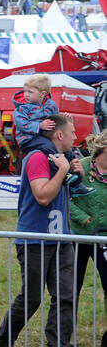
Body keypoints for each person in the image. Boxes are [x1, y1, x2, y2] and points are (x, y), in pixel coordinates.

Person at [0, 114, 91, 347]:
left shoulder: (64, 160)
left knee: (66, 296)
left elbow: (63, 193)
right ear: (59, 135)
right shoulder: (37, 157)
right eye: (71, 133)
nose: (74, 137)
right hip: (35, 238)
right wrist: (62, 171)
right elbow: (43, 196)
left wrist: (75, 177)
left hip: (61, 238)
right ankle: (3, 342)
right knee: (32, 297)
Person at [69, 132, 107, 315]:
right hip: (79, 236)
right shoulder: (81, 166)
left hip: (105, 239)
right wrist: (81, 216)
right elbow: (65, 198)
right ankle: (67, 335)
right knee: (72, 286)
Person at [12, 74, 58, 155]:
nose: (26, 94)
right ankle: (53, 164)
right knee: (48, 146)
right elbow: (21, 124)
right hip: (28, 139)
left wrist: (64, 118)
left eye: (30, 92)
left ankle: (73, 163)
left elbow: (56, 118)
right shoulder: (22, 108)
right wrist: (39, 126)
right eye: (25, 91)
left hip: (46, 137)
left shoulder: (50, 105)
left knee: (65, 147)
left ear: (43, 94)